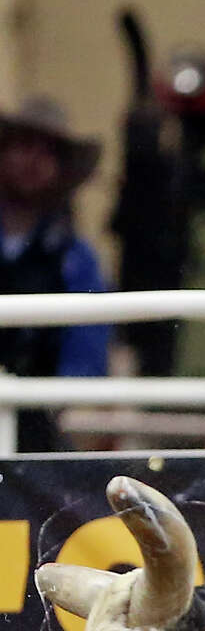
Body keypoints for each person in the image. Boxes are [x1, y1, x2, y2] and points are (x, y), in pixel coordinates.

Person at [0, 95, 111, 451]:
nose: (33, 161)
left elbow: (86, 354)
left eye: (48, 152)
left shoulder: (75, 259)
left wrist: (48, 397)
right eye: (23, 146)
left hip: (34, 422)